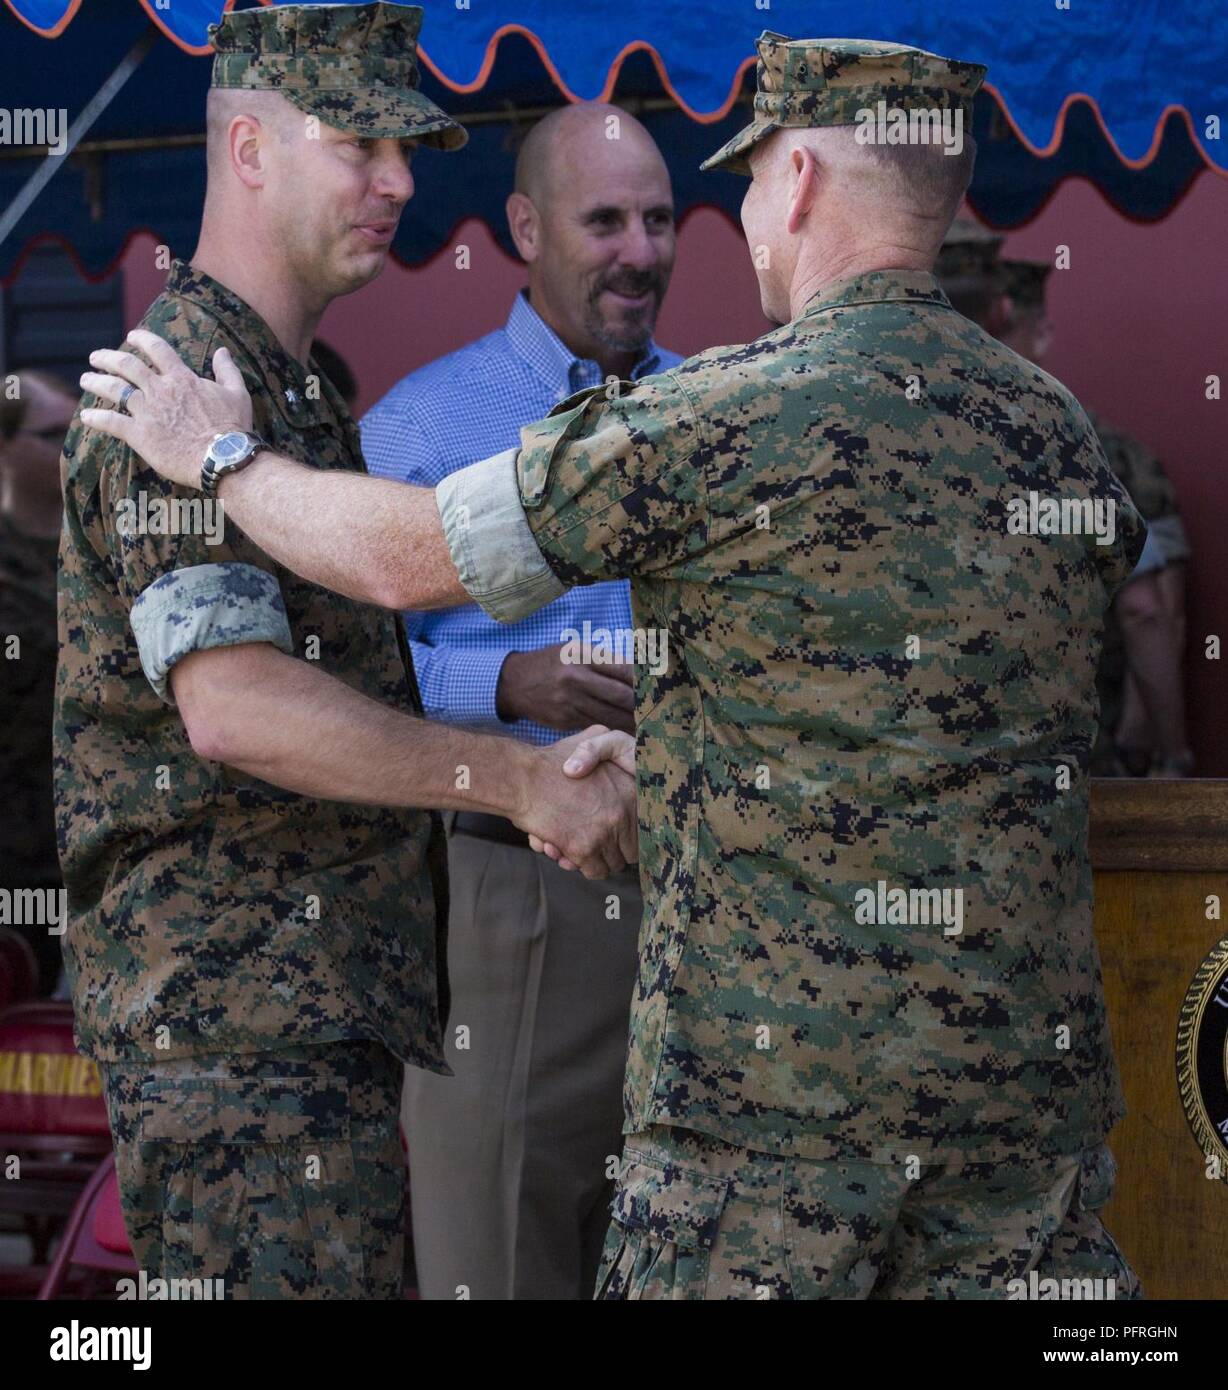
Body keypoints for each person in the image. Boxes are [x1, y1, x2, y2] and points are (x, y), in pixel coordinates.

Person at [82, 33, 1147, 1301]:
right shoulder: (1063, 438)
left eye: (735, 184)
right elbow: (1007, 712)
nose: (718, 225)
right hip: (1017, 1104)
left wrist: (223, 463)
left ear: (796, 180)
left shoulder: (717, 414)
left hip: (770, 1122)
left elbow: (405, 561)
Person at [56, 1, 635, 1301]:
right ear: (249, 148)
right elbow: (238, 707)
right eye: (361, 144)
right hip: (235, 1031)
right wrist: (519, 778)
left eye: (408, 148)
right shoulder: (177, 385)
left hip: (317, 1014)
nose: (401, 181)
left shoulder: (293, 394)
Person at [360, 101, 683, 1300]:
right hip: (508, 892)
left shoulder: (721, 414)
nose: (640, 251)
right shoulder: (418, 427)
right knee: (499, 1253)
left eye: (659, 218)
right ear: (523, 228)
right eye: (604, 220)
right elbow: (348, 675)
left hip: (704, 901)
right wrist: (505, 680)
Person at [996, 258, 1194, 777]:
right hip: (1076, 761)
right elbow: (1151, 612)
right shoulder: (1099, 456)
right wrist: (1162, 757)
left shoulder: (902, 445)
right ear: (1041, 334)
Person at [0, 370, 76, 996]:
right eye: (55, 434)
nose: (73, 448)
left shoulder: (109, 548)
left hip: (100, 861)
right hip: (13, 864)